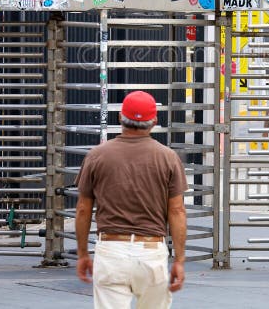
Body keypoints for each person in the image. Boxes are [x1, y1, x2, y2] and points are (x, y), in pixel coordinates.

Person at [75, 90, 188, 309]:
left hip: (111, 251)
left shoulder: (97, 155)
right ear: (154, 121)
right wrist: (180, 260)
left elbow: (83, 209)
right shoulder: (168, 158)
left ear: (120, 118)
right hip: (151, 253)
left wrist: (82, 254)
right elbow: (177, 211)